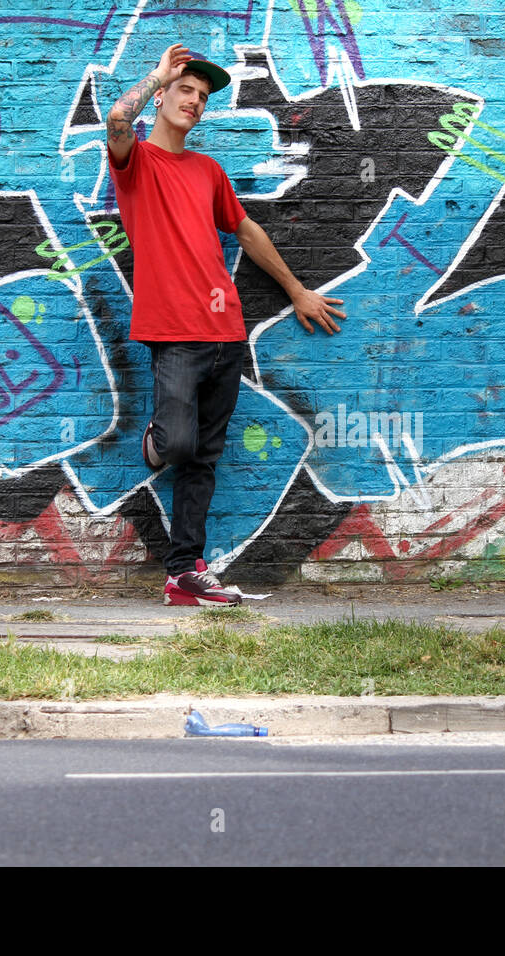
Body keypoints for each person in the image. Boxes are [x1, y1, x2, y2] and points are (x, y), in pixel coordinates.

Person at [107, 42, 345, 606]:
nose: (194, 101)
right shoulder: (136, 162)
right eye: (185, 91)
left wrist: (296, 289)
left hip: (226, 333)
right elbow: (118, 119)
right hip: (173, 332)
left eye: (202, 97)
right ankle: (156, 442)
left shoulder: (207, 170)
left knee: (205, 459)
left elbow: (246, 231)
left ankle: (184, 572)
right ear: (162, 97)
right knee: (180, 442)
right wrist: (156, 74)